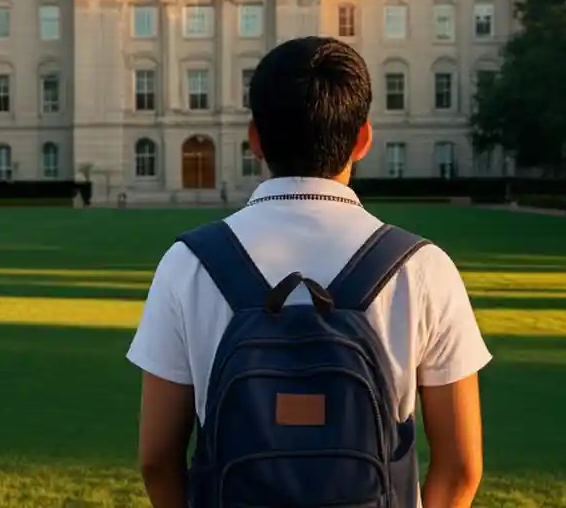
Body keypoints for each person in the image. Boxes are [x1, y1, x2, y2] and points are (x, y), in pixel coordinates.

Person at [127, 36, 491, 508]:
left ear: (254, 138)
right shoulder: (423, 267)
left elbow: (157, 459)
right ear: (363, 139)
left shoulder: (188, 263)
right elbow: (461, 467)